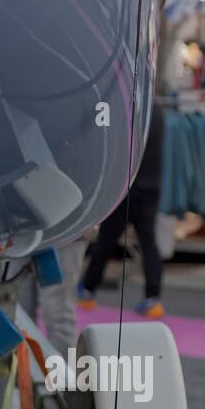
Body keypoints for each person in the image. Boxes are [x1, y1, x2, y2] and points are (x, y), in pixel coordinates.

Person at [77, 101, 165, 318]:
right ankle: (153, 297)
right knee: (148, 244)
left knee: (106, 241)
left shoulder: (125, 110)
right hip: (151, 187)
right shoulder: (158, 113)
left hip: (126, 188)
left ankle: (88, 289)